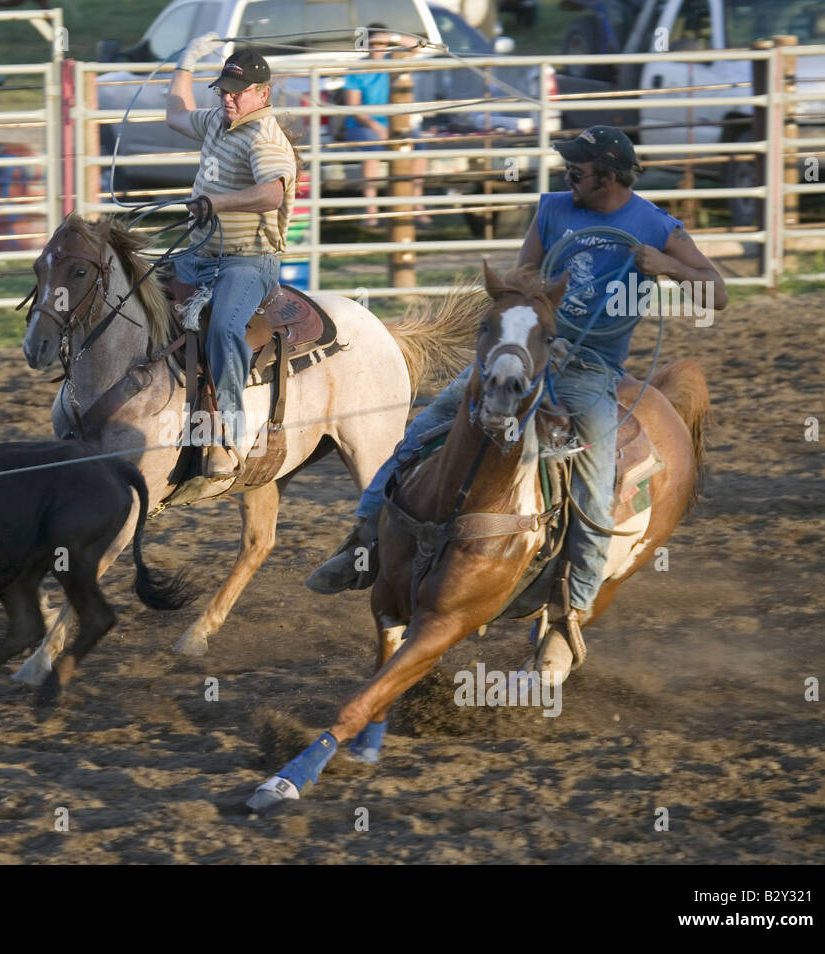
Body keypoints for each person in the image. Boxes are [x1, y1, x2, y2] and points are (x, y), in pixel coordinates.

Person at [307, 125, 728, 680]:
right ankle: (360, 541)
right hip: (527, 352)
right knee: (423, 430)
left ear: (607, 174)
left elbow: (716, 292)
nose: (567, 175)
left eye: (577, 168)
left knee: (596, 483)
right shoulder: (554, 208)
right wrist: (523, 299)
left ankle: (570, 612)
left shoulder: (653, 225)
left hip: (589, 370)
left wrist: (668, 267)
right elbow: (523, 272)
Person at [166, 35, 298, 480]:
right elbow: (175, 113)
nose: (227, 99)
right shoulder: (219, 122)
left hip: (248, 261)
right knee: (139, 293)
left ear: (262, 94)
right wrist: (187, 60)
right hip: (200, 253)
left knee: (224, 328)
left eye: (236, 93)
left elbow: (272, 193)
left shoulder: (264, 137)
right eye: (223, 91)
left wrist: (215, 203)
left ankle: (229, 432)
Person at [337, 24, 425, 227]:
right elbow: (354, 108)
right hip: (364, 124)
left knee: (420, 146)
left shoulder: (394, 61)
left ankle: (417, 205)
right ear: (366, 45)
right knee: (372, 149)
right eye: (374, 43)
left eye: (383, 43)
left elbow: (419, 46)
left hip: (393, 123)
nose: (378, 47)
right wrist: (378, 128)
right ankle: (371, 210)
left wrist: (393, 36)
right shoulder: (356, 69)